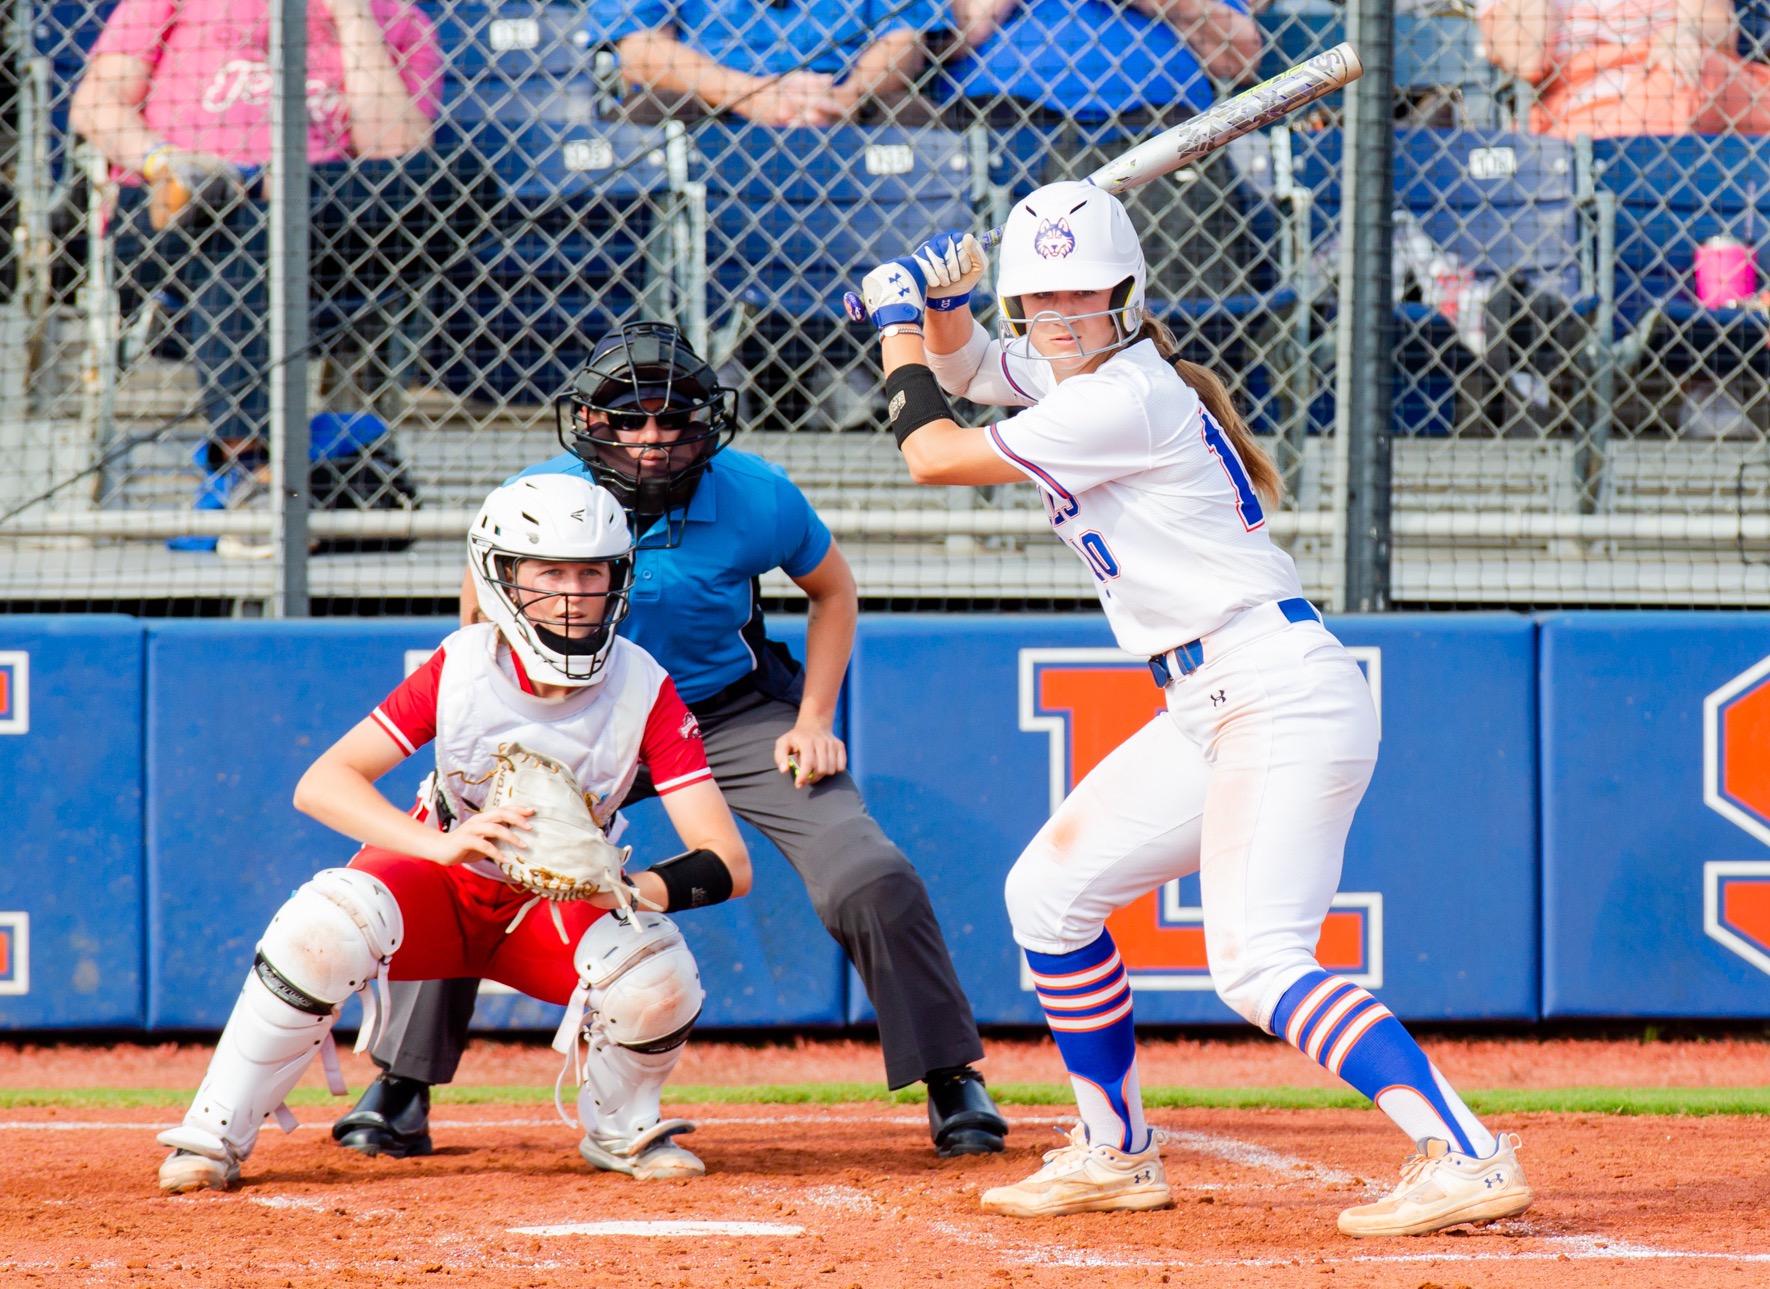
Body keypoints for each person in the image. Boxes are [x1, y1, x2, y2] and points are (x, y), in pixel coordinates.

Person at [849, 185, 1535, 1235]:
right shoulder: (1080, 369)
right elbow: (974, 369)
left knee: (1258, 959)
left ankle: (1469, 1154)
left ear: (1127, 295)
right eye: (1041, 298)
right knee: (1050, 893)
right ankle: (1115, 1151)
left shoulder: (1121, 395)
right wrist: (949, 307)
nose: (1060, 316)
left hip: (1275, 689)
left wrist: (897, 326)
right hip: (1212, 698)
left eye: (1083, 293)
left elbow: (933, 451)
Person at [331, 321, 1010, 1163]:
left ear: (709, 421)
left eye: (674, 417)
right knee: (477, 855)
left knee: (865, 868)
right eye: (630, 418)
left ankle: (951, 1073)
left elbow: (834, 590)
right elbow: (481, 603)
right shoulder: (538, 495)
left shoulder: (756, 493)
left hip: (726, 713)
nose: (653, 438)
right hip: (582, 716)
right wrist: (504, 725)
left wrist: (813, 720)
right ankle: (401, 1082)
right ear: (590, 421)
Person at [155, 473, 752, 1192]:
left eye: (591, 571)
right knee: (325, 922)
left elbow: (727, 861)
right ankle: (214, 1132)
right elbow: (324, 781)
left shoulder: (644, 684)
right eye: (548, 571)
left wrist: (630, 887)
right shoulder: (463, 666)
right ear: (502, 576)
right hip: (439, 882)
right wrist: (440, 845)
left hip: (550, 908)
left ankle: (622, 1126)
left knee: (655, 968)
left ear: (618, 577)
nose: (571, 592)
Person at [68, 0, 442, 550]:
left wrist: (353, 18)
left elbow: (394, 152)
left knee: (463, 181)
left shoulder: (397, 17)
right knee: (245, 230)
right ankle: (249, 466)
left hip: (331, 238)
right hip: (172, 214)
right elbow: (95, 105)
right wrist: (163, 160)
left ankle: (248, 186)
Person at [940, 0, 1264, 299]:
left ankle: (1155, 341)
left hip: (1156, 126)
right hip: (1004, 123)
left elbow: (1241, 59)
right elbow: (950, 38)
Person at [1479, 0, 1770, 137]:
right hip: (1576, 97)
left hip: (1675, 66)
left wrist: (1686, 33)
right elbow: (1527, 61)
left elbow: (1718, 25)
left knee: (1682, 79)